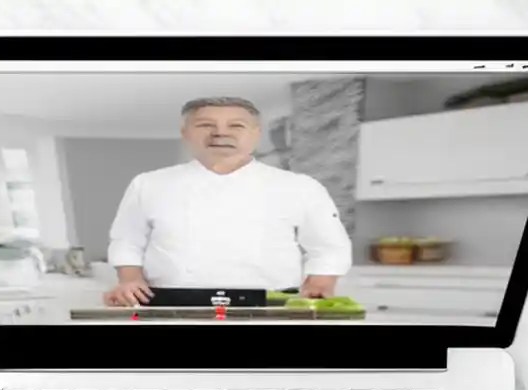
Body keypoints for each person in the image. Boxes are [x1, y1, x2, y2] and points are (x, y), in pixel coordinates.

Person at [103, 96, 353, 307]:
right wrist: (129, 279)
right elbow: (127, 240)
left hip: (272, 303)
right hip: (168, 301)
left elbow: (329, 246)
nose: (221, 132)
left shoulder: (300, 186)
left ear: (256, 134)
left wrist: (320, 284)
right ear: (185, 133)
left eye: (237, 125)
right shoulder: (148, 184)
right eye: (205, 125)